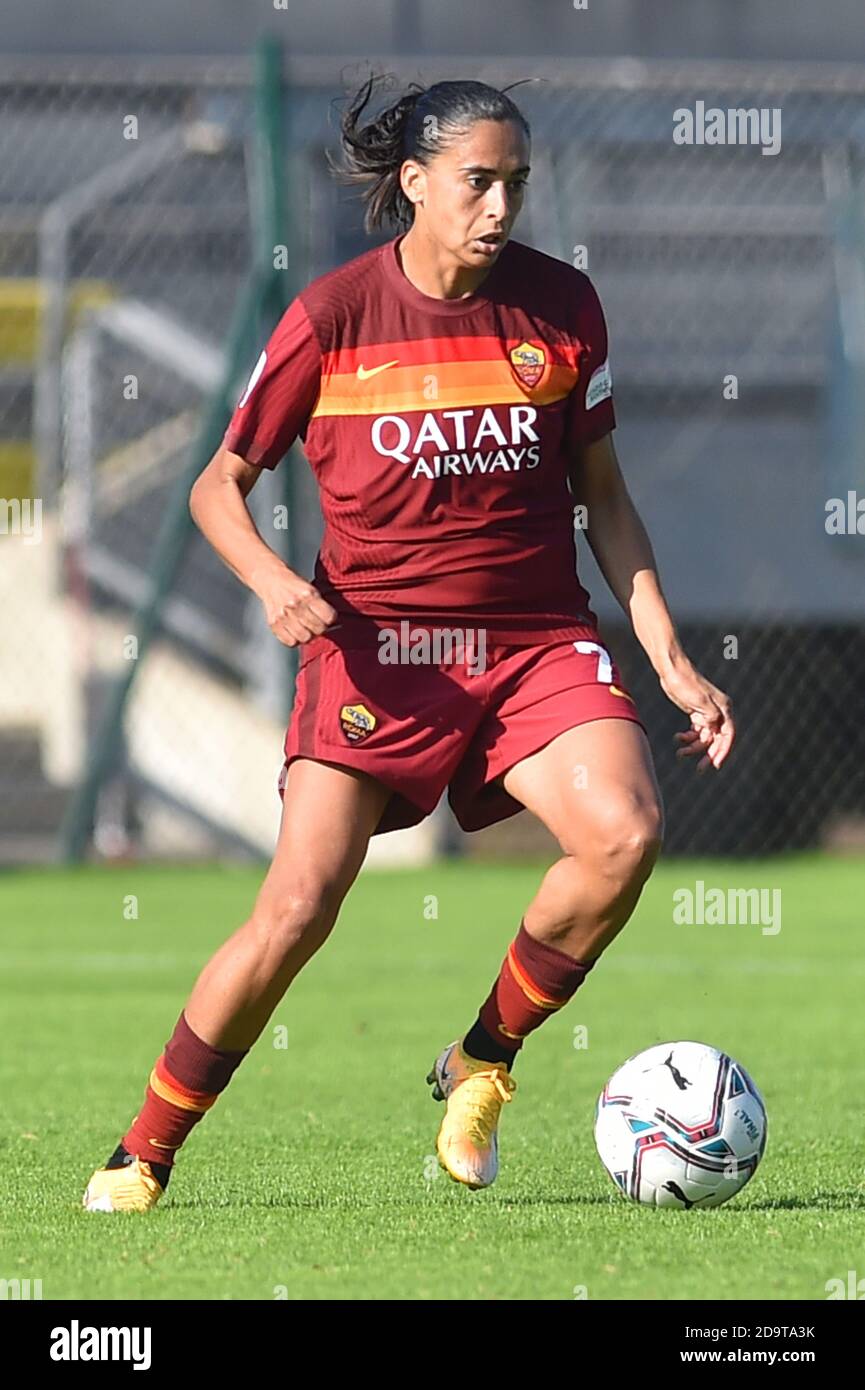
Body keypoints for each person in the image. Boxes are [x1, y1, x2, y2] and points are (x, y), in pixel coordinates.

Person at [83, 75, 734, 1212]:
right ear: (416, 182)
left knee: (623, 834)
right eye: (479, 181)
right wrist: (277, 581)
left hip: (533, 644)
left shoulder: (563, 307)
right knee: (294, 910)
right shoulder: (333, 317)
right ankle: (143, 1151)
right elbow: (218, 485)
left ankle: (482, 1061)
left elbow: (608, 503)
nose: (500, 205)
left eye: (515, 183)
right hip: (376, 654)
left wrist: (668, 656)